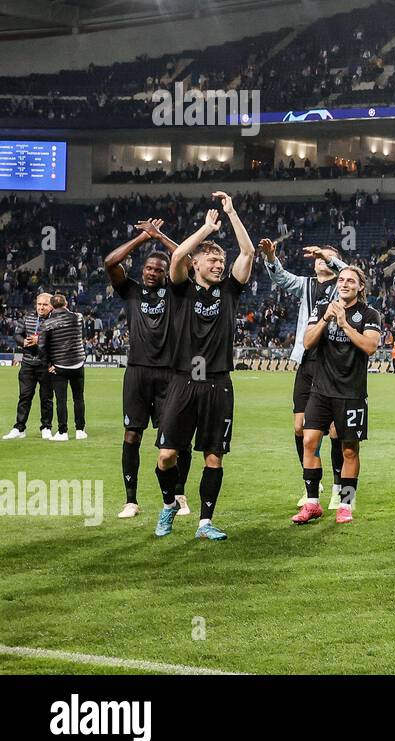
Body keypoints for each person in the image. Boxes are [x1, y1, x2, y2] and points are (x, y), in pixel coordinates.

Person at [153, 192, 254, 542]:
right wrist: (206, 229)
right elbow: (179, 253)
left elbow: (248, 253)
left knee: (214, 456)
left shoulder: (229, 291)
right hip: (183, 382)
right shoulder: (180, 289)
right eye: (211, 260)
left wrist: (231, 213)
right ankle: (169, 504)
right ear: (196, 265)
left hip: (217, 383)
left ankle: (205, 522)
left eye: (219, 260)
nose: (218, 264)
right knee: (167, 456)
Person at [260, 239, 348, 510]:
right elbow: (282, 278)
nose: (320, 259)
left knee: (336, 432)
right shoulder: (307, 285)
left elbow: (349, 271)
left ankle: (340, 491)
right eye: (318, 257)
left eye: (326, 257)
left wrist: (330, 256)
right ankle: (312, 483)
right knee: (300, 427)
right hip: (307, 361)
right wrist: (271, 258)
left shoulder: (343, 285)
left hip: (334, 362)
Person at [105, 218, 183, 518]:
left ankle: (179, 494)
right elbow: (110, 262)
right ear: (142, 270)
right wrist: (141, 238)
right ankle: (131, 500)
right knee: (131, 435)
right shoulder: (132, 290)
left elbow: (186, 259)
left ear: (166, 274)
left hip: (169, 372)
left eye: (158, 270)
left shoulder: (176, 291)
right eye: (149, 268)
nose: (152, 273)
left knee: (174, 438)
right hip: (137, 371)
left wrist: (159, 235)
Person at [292, 267, 382, 525]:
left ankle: (346, 503)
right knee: (309, 441)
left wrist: (343, 323)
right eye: (341, 280)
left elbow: (370, 347)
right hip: (320, 390)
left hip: (351, 393)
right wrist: (326, 320)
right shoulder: (322, 309)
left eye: (350, 281)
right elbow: (307, 343)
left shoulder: (369, 314)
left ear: (360, 287)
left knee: (350, 450)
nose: (344, 284)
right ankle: (312, 503)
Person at [4, 293, 54, 441]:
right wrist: (23, 342)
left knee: (46, 398)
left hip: (45, 364)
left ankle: (46, 427)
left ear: (51, 306)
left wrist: (40, 340)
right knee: (24, 397)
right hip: (27, 364)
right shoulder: (27, 318)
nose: (41, 307)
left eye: (45, 304)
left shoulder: (55, 320)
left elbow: (58, 340)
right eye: (39, 304)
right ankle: (19, 428)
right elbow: (17, 334)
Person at [42, 295, 87, 441]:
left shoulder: (47, 323)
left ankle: (63, 432)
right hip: (78, 363)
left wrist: (49, 365)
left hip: (59, 365)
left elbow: (43, 347)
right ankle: (80, 430)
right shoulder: (78, 317)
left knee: (61, 400)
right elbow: (83, 335)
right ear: (66, 303)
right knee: (78, 398)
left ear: (51, 306)